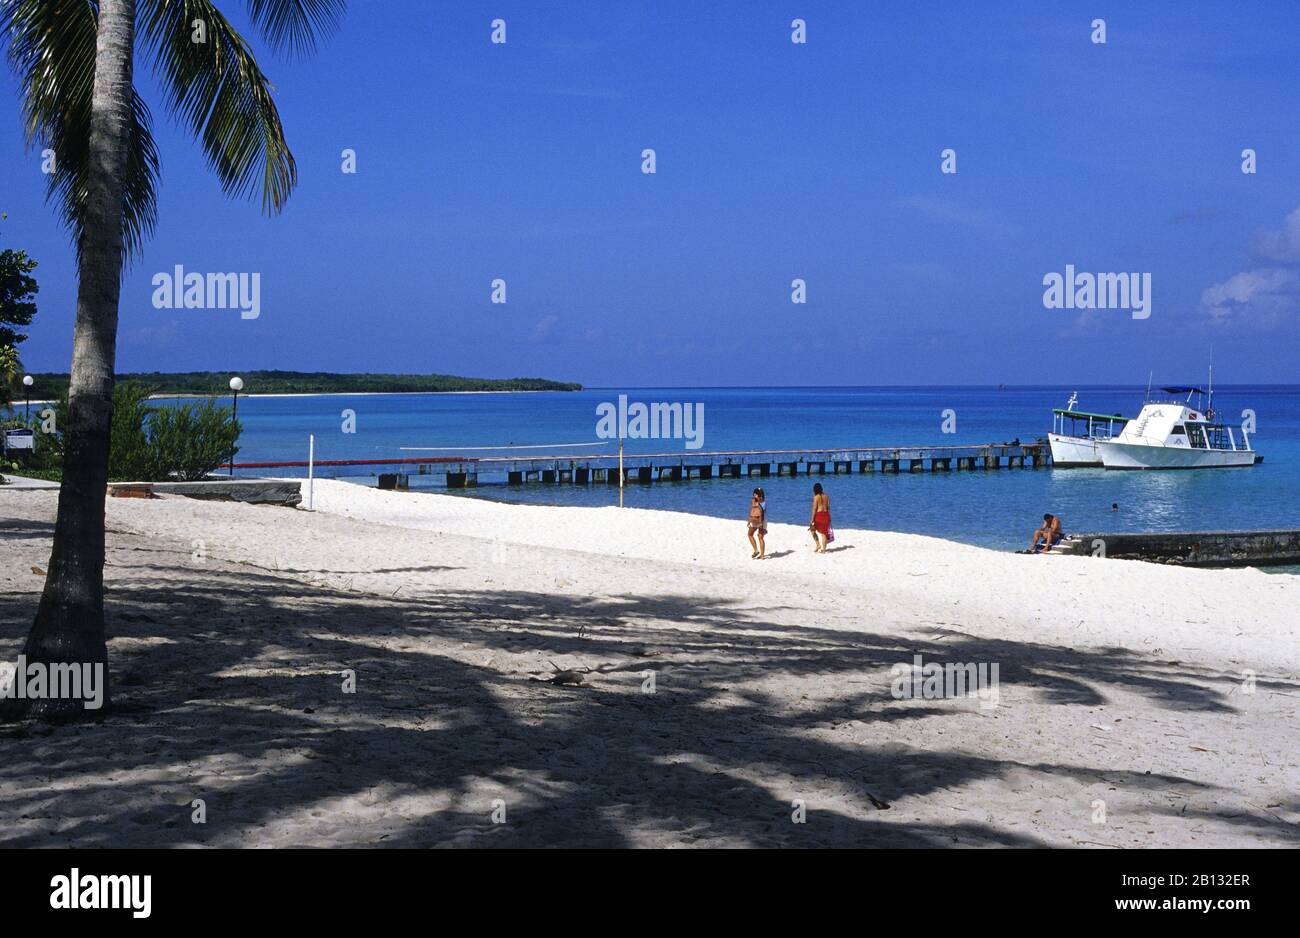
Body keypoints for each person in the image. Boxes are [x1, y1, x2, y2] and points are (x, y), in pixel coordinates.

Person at [809, 482, 832, 553]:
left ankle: (818, 544)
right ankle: (824, 550)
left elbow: (814, 509)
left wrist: (812, 519)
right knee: (824, 533)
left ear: (815, 490)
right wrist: (830, 517)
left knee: (812, 530)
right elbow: (828, 508)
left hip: (819, 516)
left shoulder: (816, 497)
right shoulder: (827, 496)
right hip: (826, 515)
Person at [746, 488, 767, 559]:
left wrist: (749, 520)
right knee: (761, 538)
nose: (754, 494)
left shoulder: (754, 500)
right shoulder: (764, 501)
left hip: (755, 520)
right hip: (763, 520)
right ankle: (762, 556)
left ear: (758, 494)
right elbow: (763, 512)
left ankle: (756, 550)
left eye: (755, 493)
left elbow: (752, 511)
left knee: (750, 534)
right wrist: (762, 523)